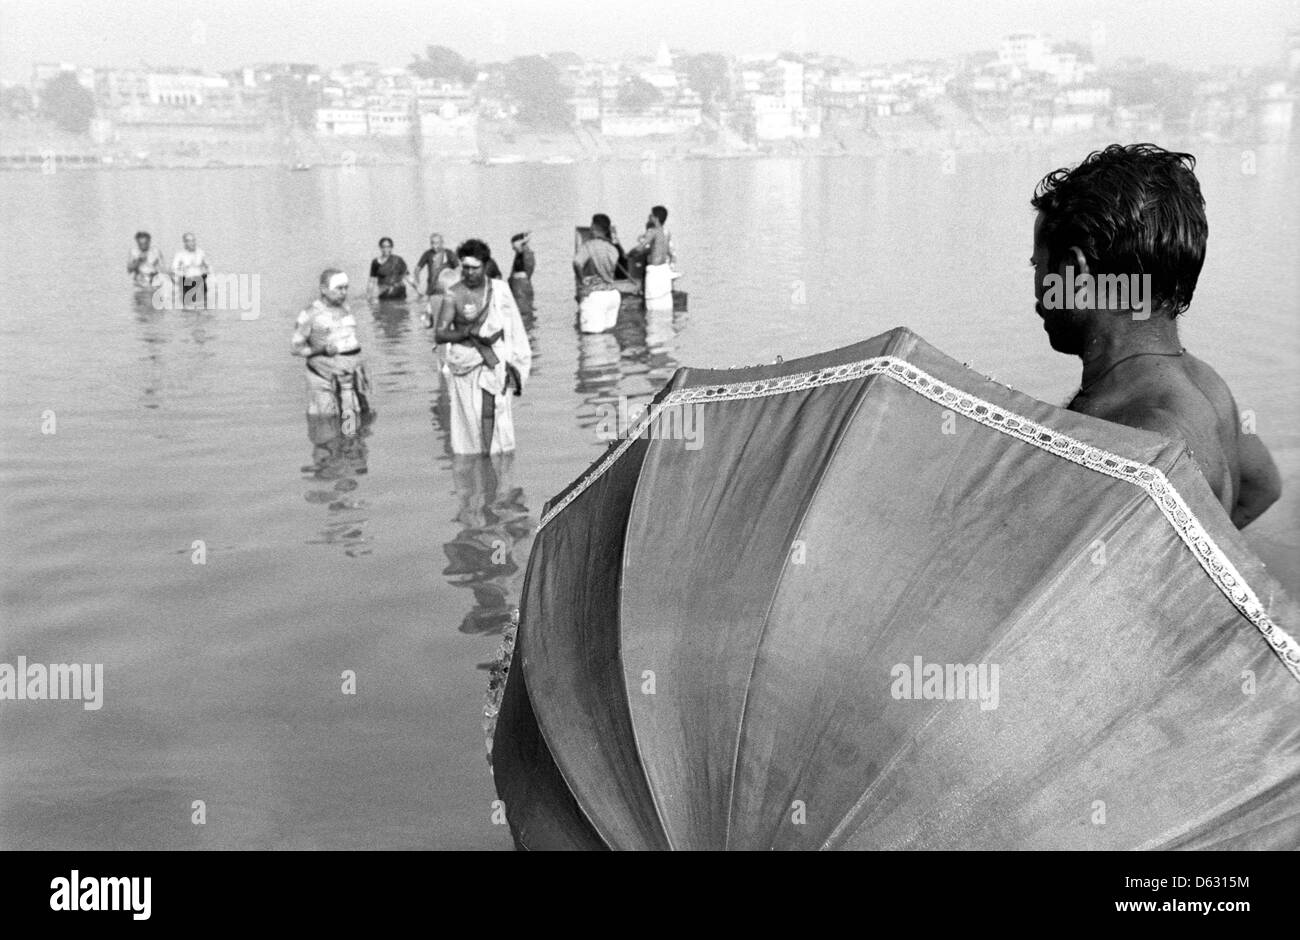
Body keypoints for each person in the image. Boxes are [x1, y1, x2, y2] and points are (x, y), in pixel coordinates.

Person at [1030, 143, 1280, 529]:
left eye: (1038, 267)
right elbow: (1261, 487)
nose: (1037, 296)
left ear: (1073, 272)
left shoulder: (1131, 433)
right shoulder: (1209, 387)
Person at [423, 239, 532, 455]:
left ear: (485, 266)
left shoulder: (499, 290)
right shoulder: (453, 294)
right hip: (466, 364)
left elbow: (515, 328)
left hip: (495, 362)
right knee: (471, 423)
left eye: (475, 268)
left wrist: (515, 362)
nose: (469, 273)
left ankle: (499, 475)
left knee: (498, 419)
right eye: (465, 268)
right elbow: (440, 333)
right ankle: (476, 464)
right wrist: (466, 333)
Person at [291, 269, 371, 432]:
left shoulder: (345, 308)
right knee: (327, 427)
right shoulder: (310, 314)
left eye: (346, 288)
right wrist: (321, 349)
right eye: (339, 288)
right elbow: (295, 348)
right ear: (323, 289)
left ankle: (350, 447)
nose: (344, 293)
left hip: (349, 380)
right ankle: (332, 451)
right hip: (325, 380)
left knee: (352, 430)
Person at [573, 214, 622, 333]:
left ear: (593, 227)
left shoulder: (589, 246)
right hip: (612, 294)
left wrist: (582, 280)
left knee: (592, 341)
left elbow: (577, 263)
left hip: (595, 296)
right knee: (608, 338)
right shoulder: (612, 248)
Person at [633, 205, 674, 311]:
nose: (649, 217)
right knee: (665, 307)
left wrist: (632, 252)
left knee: (652, 307)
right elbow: (670, 252)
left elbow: (640, 247)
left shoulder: (652, 231)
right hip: (664, 271)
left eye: (651, 215)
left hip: (654, 272)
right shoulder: (667, 232)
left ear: (655, 218)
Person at [171, 232, 209, 308]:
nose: (192, 243)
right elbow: (173, 270)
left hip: (200, 283)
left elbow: (209, 267)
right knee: (188, 309)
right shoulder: (180, 255)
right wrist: (178, 281)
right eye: (189, 241)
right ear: (185, 243)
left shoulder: (201, 253)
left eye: (193, 240)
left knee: (203, 308)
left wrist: (205, 273)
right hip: (187, 283)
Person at [415, 232, 460, 297]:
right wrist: (418, 286)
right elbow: (417, 269)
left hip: (445, 289)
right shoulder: (427, 254)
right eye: (432, 243)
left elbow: (458, 268)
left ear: (442, 243)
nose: (434, 246)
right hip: (431, 289)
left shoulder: (449, 253)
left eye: (436, 243)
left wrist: (453, 284)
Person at [368, 237, 412, 301]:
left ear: (391, 248)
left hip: (399, 294)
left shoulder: (398, 260)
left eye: (388, 247)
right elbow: (371, 281)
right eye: (383, 247)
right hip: (384, 295)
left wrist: (418, 291)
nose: (386, 249)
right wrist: (369, 296)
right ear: (380, 247)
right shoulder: (375, 262)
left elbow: (408, 277)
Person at [508, 231, 535, 316]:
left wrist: (525, 239)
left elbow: (517, 245)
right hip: (521, 286)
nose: (512, 247)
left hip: (521, 287)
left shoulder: (525, 253)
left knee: (521, 313)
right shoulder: (523, 253)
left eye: (513, 245)